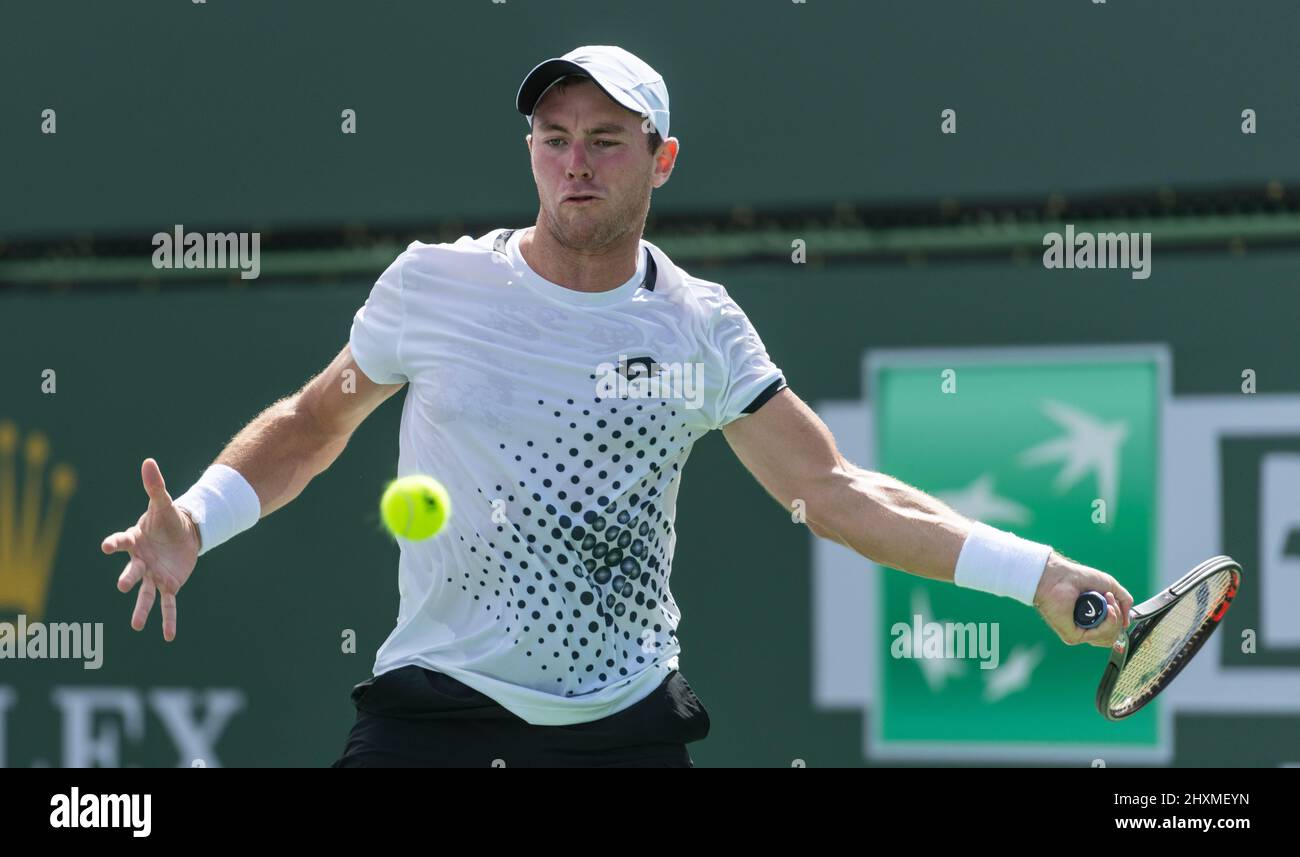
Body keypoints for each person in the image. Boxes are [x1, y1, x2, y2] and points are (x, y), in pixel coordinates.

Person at [100, 45, 1133, 768]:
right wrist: (198, 516)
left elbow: (830, 488)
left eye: (604, 139)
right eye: (552, 138)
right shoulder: (432, 286)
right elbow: (315, 422)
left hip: (620, 728)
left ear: (659, 158)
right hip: (433, 711)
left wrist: (1034, 573)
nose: (574, 164)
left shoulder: (700, 328)